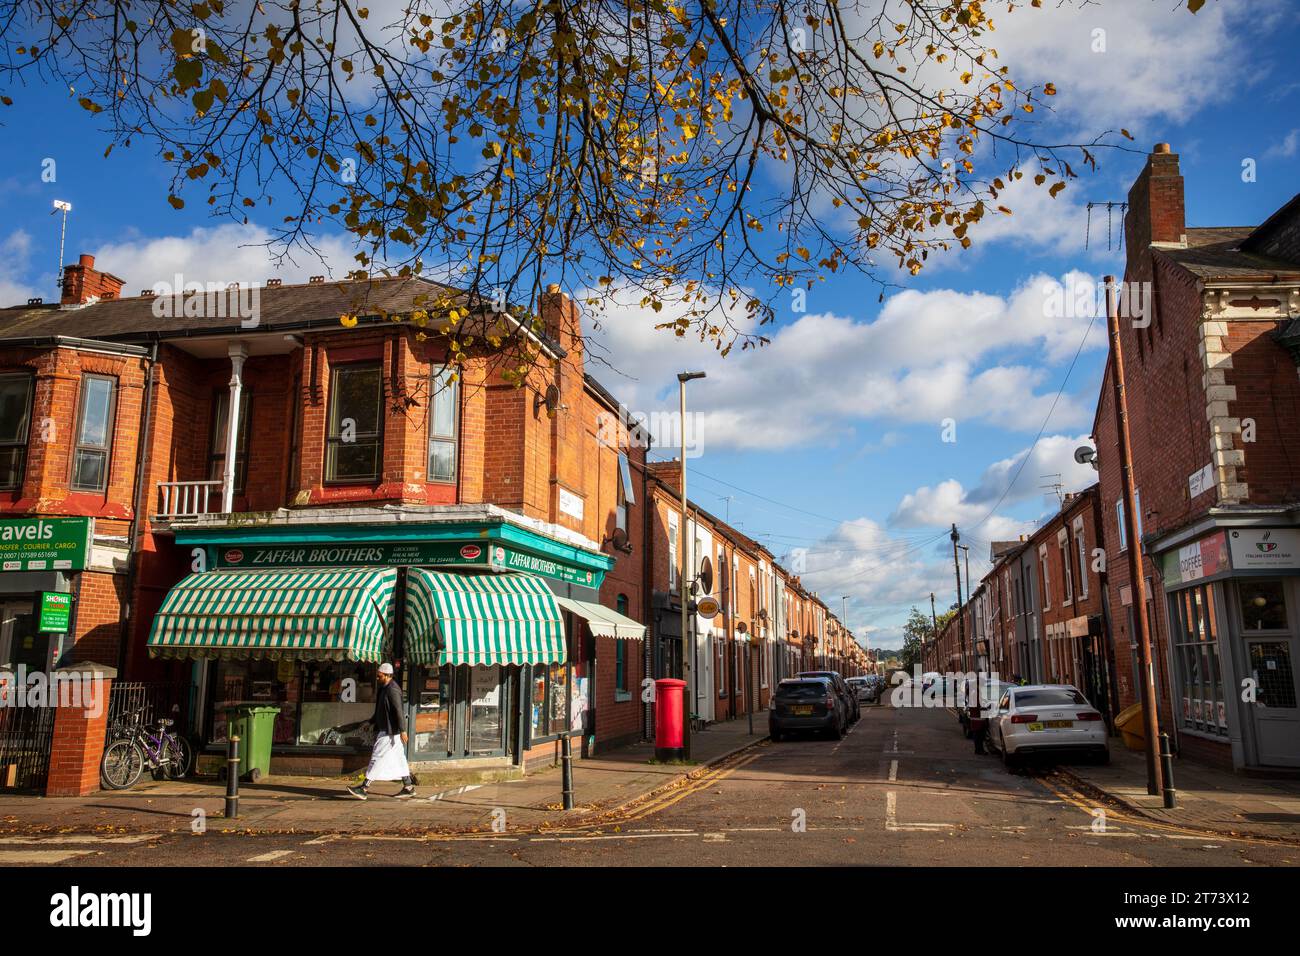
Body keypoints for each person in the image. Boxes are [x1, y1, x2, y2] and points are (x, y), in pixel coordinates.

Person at [347, 663, 415, 800]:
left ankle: (364, 787)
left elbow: (398, 711)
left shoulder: (393, 689)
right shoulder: (384, 688)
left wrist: (403, 730)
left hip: (390, 731)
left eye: (379, 676)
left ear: (387, 675)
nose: (377, 678)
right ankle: (408, 787)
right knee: (400, 759)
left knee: (377, 757)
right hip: (388, 730)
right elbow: (380, 709)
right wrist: (371, 722)